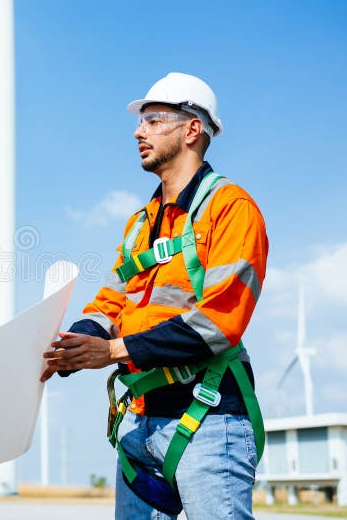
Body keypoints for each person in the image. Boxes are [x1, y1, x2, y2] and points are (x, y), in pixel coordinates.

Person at [41, 73, 268, 519]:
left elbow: (219, 323)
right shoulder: (140, 224)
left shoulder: (231, 209)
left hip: (208, 420)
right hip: (138, 425)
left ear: (192, 130)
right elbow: (113, 303)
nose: (138, 131)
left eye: (153, 120)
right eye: (140, 122)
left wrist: (112, 350)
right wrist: (70, 348)